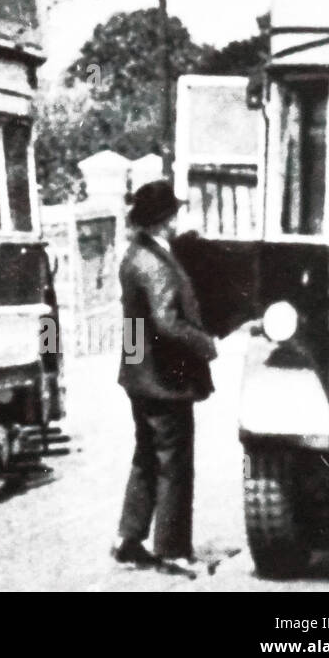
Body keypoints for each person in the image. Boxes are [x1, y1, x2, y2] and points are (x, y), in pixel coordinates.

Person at [112, 178, 218, 578]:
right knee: (174, 463)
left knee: (146, 456)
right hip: (166, 379)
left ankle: (129, 538)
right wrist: (205, 344)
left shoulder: (134, 255)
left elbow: (136, 324)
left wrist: (136, 369)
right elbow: (167, 322)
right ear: (163, 219)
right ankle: (172, 550)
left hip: (141, 376)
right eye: (173, 214)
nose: (177, 220)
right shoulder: (156, 263)